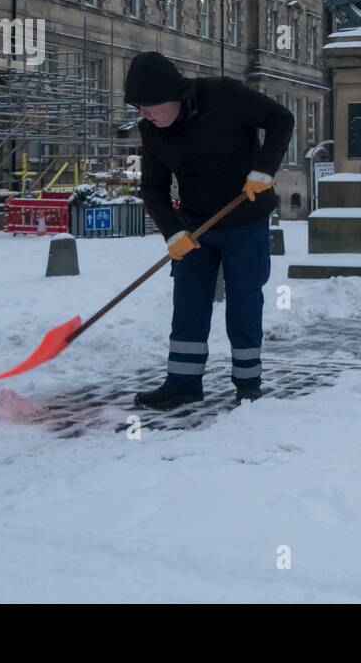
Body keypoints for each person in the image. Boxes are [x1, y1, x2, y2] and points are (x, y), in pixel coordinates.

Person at [124, 51, 294, 410]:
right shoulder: (152, 132)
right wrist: (172, 233)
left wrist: (263, 171)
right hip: (195, 227)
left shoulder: (225, 95)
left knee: (244, 300)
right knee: (188, 303)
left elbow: (281, 118)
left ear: (172, 95)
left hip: (245, 219)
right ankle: (183, 383)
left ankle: (248, 383)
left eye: (148, 105)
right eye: (138, 108)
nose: (143, 114)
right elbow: (153, 187)